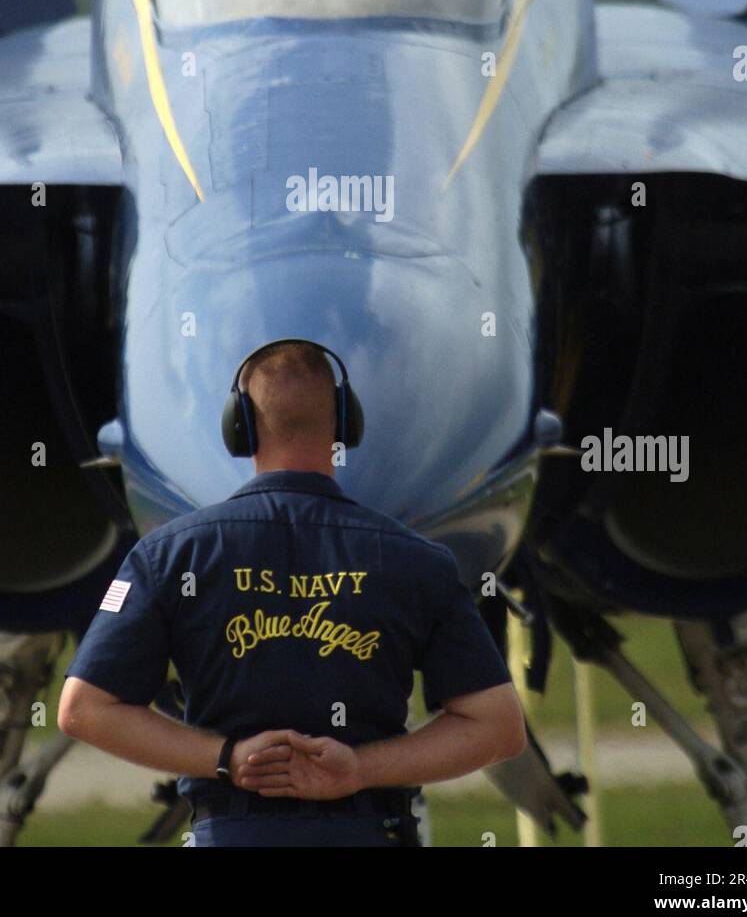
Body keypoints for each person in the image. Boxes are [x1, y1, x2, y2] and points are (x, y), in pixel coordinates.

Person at [58, 339, 526, 847]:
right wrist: (359, 770)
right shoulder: (418, 562)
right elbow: (499, 727)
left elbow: (83, 709)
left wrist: (228, 759)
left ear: (240, 428)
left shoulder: (169, 556)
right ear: (346, 424)